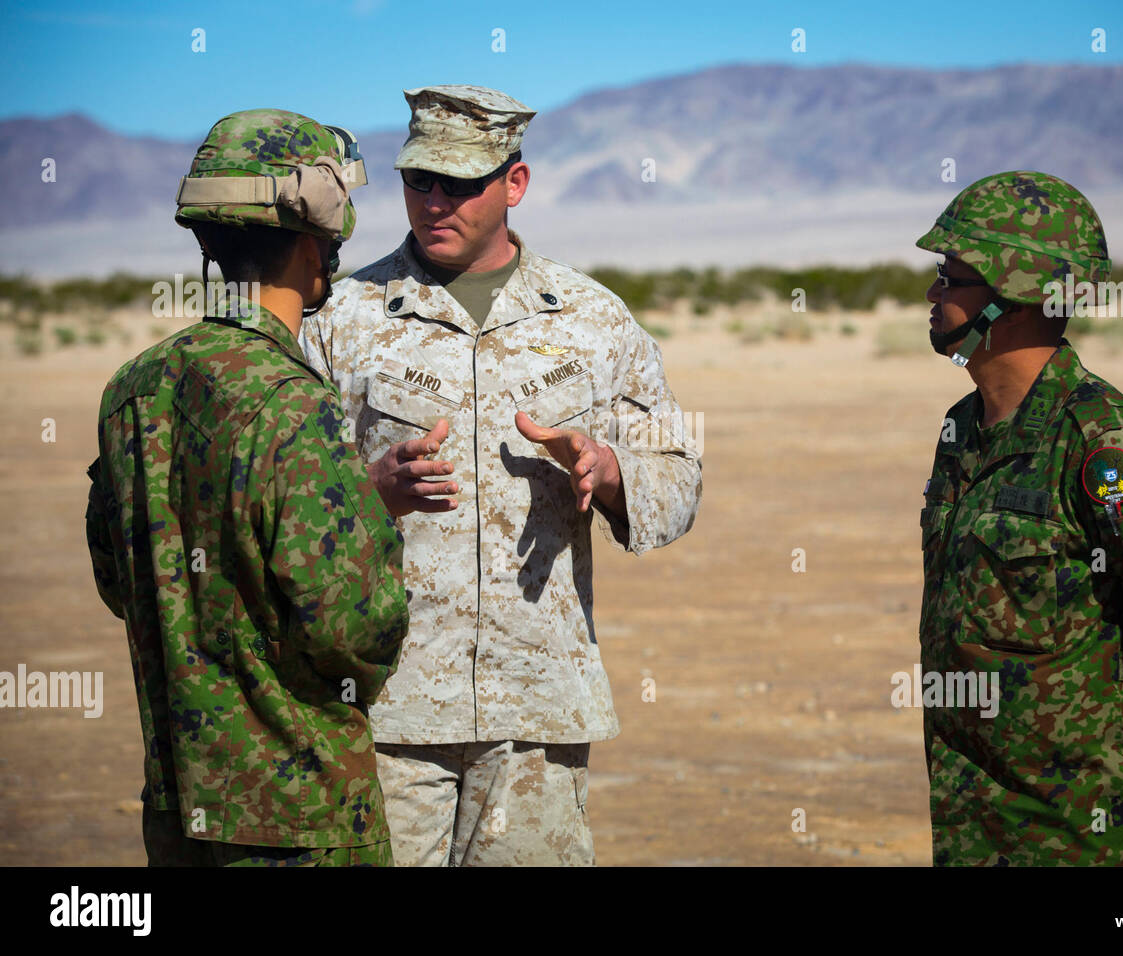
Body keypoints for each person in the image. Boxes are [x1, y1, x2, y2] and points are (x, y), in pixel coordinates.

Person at [299, 85, 702, 866]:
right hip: (386, 708)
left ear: (514, 184)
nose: (434, 202)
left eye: (459, 184)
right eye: (420, 180)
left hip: (536, 709)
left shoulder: (591, 319)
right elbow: (282, 506)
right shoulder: (341, 319)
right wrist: (367, 494)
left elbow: (678, 478)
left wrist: (610, 473)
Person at [85, 109, 411, 866]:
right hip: (303, 822)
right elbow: (351, 626)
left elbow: (119, 579)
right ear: (316, 238)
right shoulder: (292, 400)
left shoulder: (133, 387)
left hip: (179, 813)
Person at [914, 170, 1123, 866]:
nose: (933, 295)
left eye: (952, 277)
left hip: (1090, 835)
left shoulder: (1106, 443)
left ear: (1016, 294)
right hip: (978, 825)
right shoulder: (962, 429)